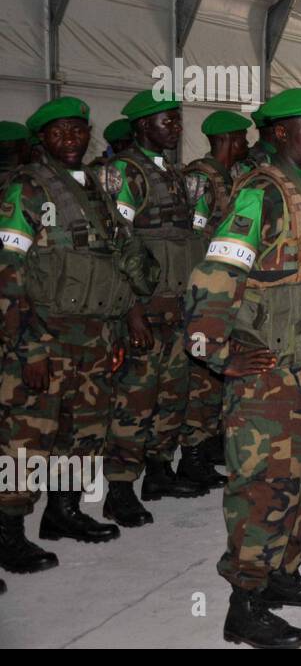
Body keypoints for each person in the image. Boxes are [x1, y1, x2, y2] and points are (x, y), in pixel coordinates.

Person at [185, 87, 301, 649]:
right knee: (263, 488)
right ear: (279, 134)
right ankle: (245, 602)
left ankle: (284, 574)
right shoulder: (260, 195)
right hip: (269, 377)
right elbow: (215, 275)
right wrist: (215, 352)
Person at [0, 98, 147, 576]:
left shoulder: (95, 188)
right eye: (58, 133)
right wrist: (29, 348)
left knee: (85, 431)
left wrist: (125, 320)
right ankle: (8, 533)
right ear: (40, 139)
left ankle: (63, 513)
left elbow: (115, 263)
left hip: (96, 336)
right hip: (44, 336)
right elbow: (8, 273)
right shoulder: (26, 188)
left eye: (78, 131)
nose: (70, 140)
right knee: (26, 439)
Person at [103, 91, 209, 525]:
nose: (175, 126)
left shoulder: (178, 175)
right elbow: (116, 243)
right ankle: (120, 488)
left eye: (176, 120)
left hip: (178, 308)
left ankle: (160, 470)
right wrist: (130, 310)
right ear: (142, 126)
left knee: (173, 394)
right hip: (145, 310)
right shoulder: (125, 173)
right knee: (135, 399)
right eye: (165, 120)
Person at [177, 110, 253, 490]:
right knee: (200, 379)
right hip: (208, 294)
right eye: (241, 138)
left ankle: (207, 445)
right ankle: (191, 453)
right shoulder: (200, 179)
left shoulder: (234, 178)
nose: (246, 144)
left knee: (215, 380)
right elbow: (194, 242)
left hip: (230, 291)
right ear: (225, 140)